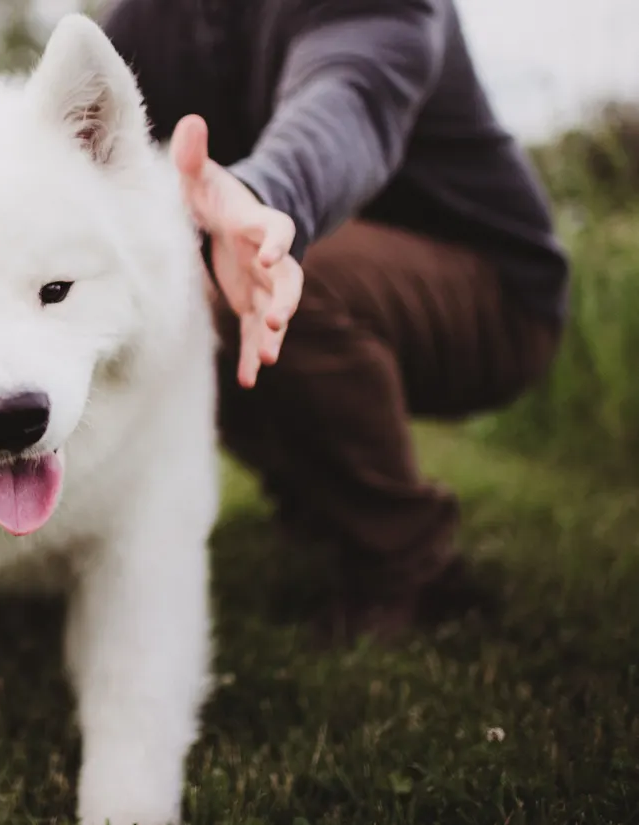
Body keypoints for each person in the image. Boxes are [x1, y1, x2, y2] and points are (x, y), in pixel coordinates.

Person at [99, 0, 570, 643]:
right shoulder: (149, 19)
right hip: (319, 256)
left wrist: (265, 194)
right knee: (174, 295)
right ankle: (316, 496)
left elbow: (351, 98)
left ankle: (408, 560)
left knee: (274, 276)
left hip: (494, 295)